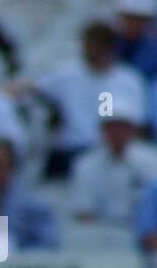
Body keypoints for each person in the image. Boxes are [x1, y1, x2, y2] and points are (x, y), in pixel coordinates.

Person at [16, 22, 148, 178]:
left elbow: (137, 123)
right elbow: (33, 87)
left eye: (94, 46)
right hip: (69, 151)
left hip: (108, 153)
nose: (88, 50)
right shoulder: (67, 74)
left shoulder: (129, 81)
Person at [68, 102, 157, 228]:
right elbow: (83, 210)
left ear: (133, 130)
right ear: (102, 130)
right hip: (99, 233)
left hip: (141, 232)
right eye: (111, 127)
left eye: (122, 127)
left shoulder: (152, 160)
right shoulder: (86, 164)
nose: (117, 132)